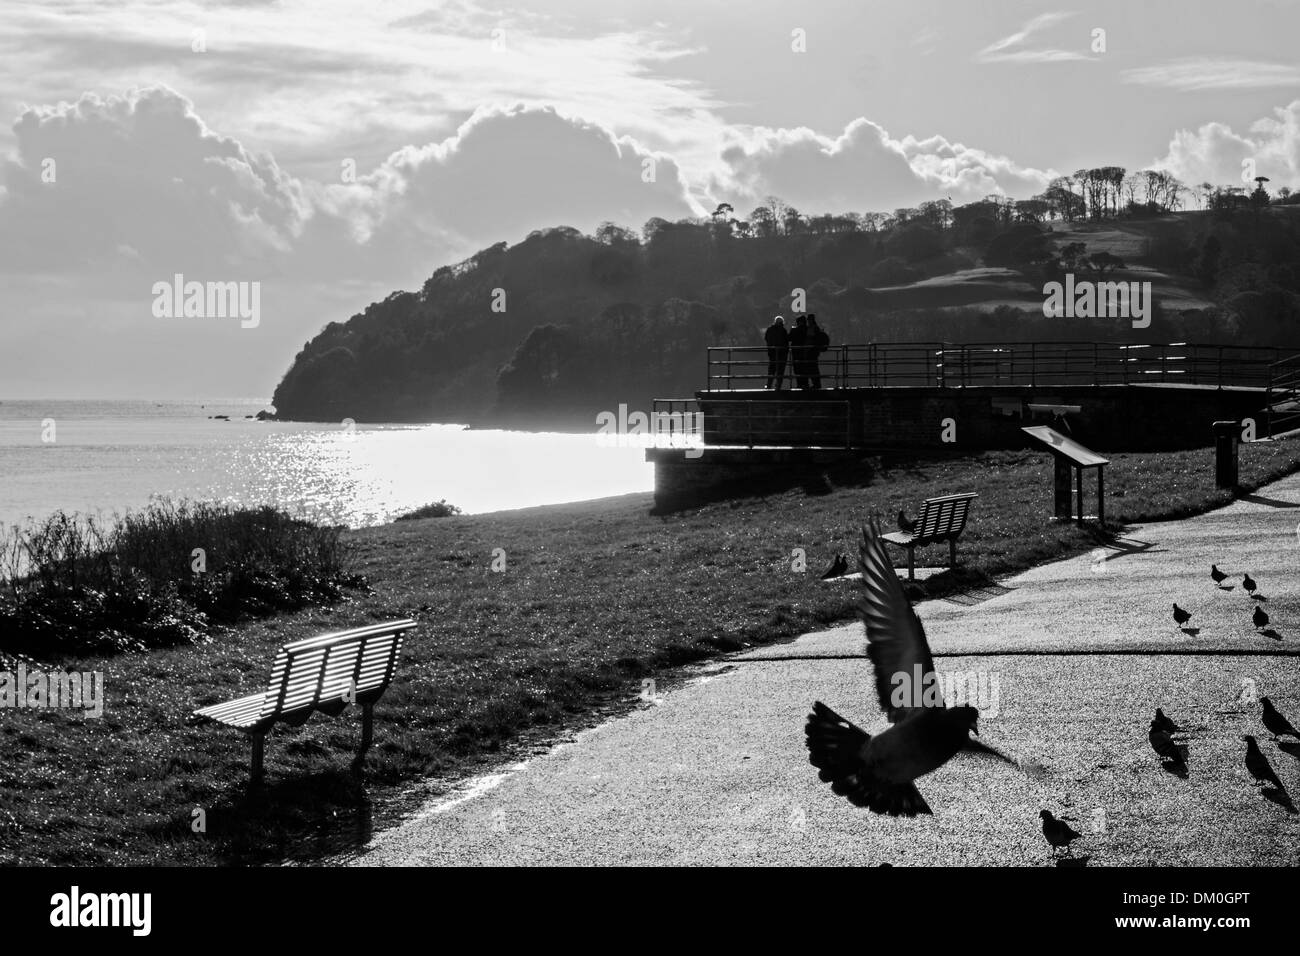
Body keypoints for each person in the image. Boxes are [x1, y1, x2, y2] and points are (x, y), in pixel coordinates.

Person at [763, 316, 789, 389]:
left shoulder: (770, 329)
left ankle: (769, 385)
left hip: (772, 353)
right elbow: (786, 342)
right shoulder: (783, 330)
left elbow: (766, 339)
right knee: (780, 370)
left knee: (771, 369)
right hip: (782, 354)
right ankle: (778, 385)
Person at [806, 314, 829, 389]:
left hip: (812, 351)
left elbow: (813, 338)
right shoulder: (815, 328)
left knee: (813, 368)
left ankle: (816, 384)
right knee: (813, 368)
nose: (808, 321)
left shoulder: (813, 328)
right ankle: (816, 384)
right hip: (813, 351)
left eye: (809, 319)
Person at [788, 315, 810, 389]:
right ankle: (806, 384)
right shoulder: (808, 329)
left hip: (796, 352)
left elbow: (789, 338)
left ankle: (799, 384)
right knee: (806, 369)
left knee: (797, 369)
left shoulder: (794, 330)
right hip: (806, 352)